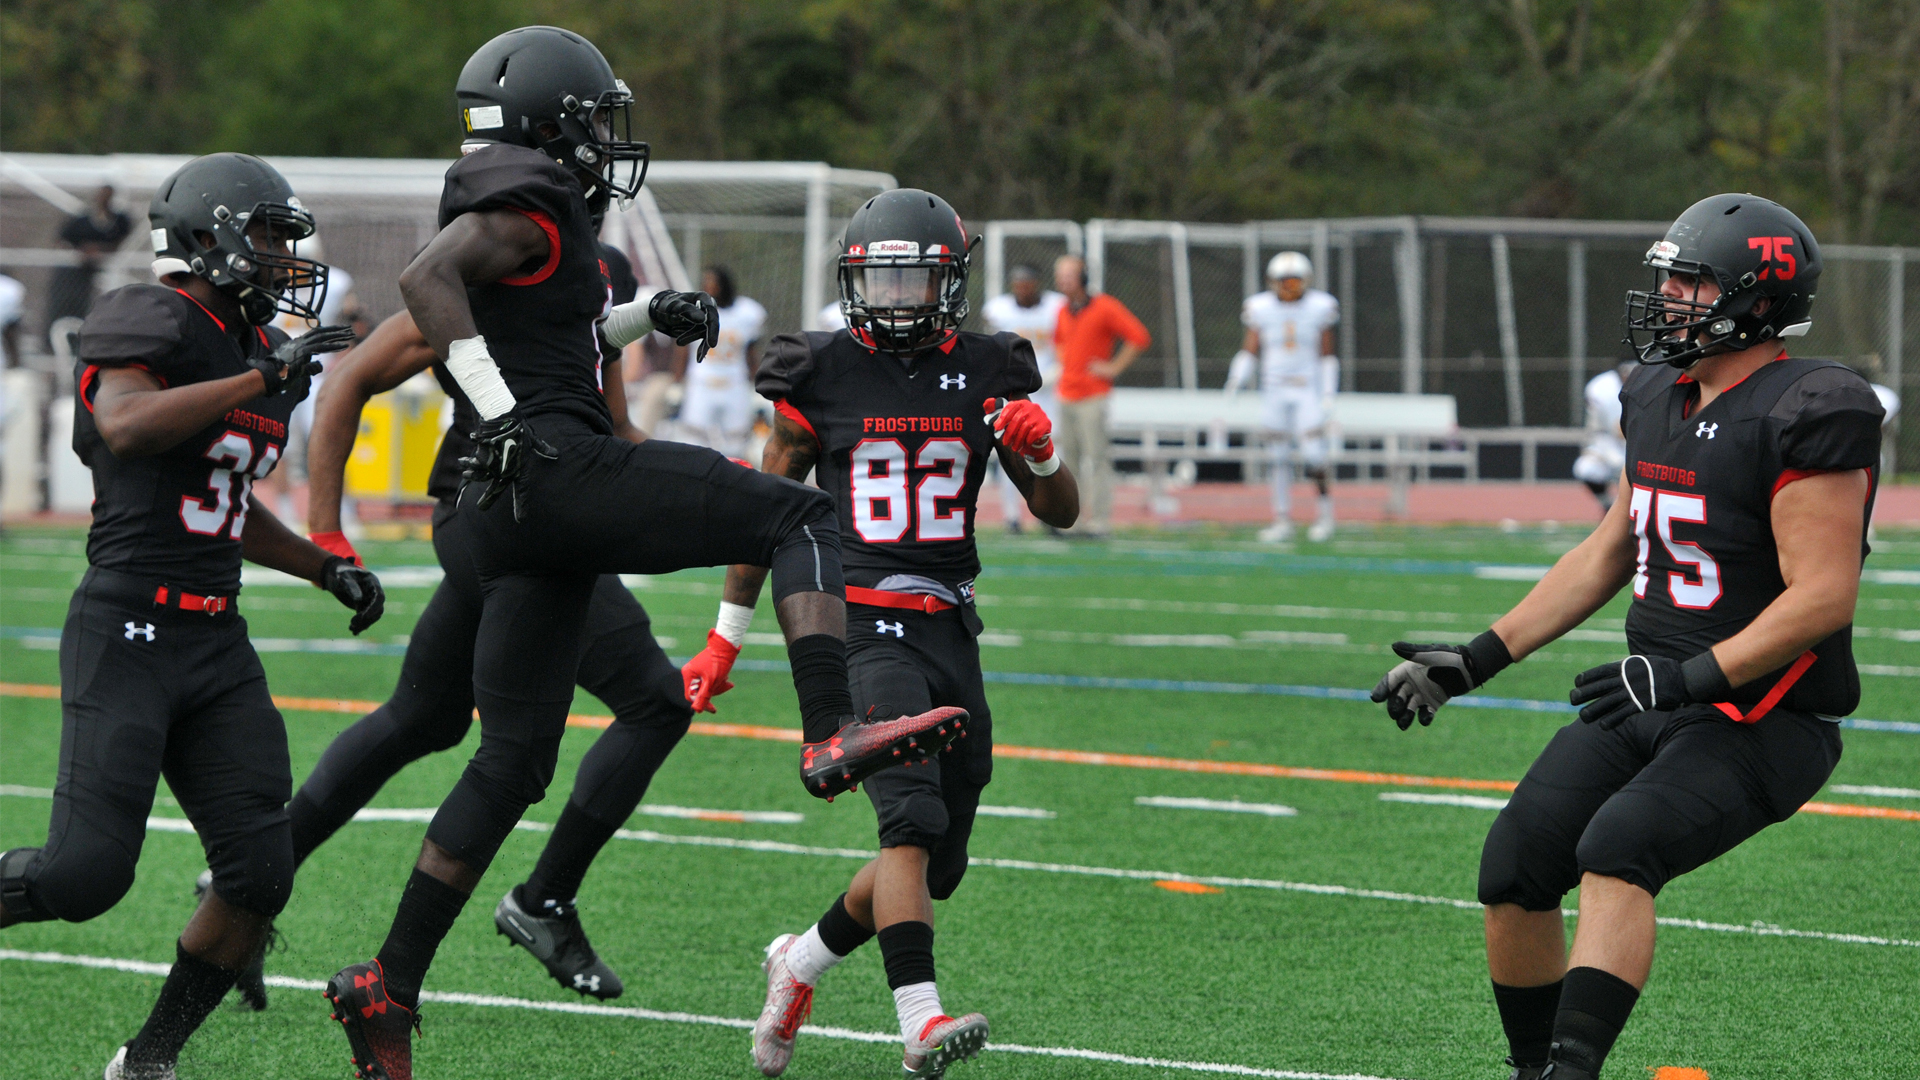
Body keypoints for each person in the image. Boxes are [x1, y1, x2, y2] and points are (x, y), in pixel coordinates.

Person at [322, 28, 966, 1079]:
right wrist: (506, 410)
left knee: (511, 761)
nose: (604, 140)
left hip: (502, 507)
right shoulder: (523, 194)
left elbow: (536, 323)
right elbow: (428, 279)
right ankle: (829, 731)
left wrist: (631, 320)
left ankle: (389, 982)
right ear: (550, 120)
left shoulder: (535, 214)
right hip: (553, 473)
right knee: (799, 518)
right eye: (591, 118)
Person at [1371, 193, 1883, 1080]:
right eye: (1670, 278)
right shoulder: (1655, 391)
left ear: (1758, 301)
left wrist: (1686, 679)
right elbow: (1615, 544)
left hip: (1766, 715)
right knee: (1516, 865)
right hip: (1651, 693)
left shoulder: (1808, 406)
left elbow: (1824, 597)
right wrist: (1477, 657)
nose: (1670, 296)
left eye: (1692, 281)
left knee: (1619, 847)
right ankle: (1533, 1070)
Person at [671, 188, 1077, 1078]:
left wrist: (1041, 453)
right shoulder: (819, 370)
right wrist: (724, 636)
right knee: (909, 820)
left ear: (950, 281)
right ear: (854, 281)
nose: (895, 296)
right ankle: (919, 1020)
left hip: (950, 624)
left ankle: (801, 960)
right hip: (860, 623)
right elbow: (763, 515)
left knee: (938, 865)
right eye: (880, 277)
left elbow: (1059, 511)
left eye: (913, 277)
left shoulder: (991, 367)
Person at [0, 154, 383, 1080]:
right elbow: (131, 426)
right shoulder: (153, 313)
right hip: (128, 625)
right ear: (208, 236)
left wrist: (320, 566)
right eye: (267, 236)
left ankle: (149, 1059)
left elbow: (225, 498)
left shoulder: (257, 351)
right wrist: (260, 379)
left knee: (260, 874)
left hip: (216, 638)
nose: (284, 257)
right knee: (84, 878)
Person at [271, 236, 691, 1015]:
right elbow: (351, 378)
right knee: (653, 702)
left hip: (525, 521)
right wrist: (324, 529)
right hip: (512, 522)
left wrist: (715, 496)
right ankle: (544, 901)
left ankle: (255, 875)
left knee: (425, 715)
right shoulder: (480, 270)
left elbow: (614, 425)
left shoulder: (602, 272)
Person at [1227, 252, 1340, 543]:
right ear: (1271, 282)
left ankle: (1325, 515)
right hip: (1274, 388)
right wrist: (1236, 378)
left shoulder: (1320, 306)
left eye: (1295, 282)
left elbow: (1327, 355)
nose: (1289, 288)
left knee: (1314, 455)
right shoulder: (1260, 307)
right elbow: (1250, 348)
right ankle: (1282, 519)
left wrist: (1328, 392)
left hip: (1306, 388)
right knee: (1277, 456)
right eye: (1284, 282)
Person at [1050, 254, 1148, 537]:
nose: (1062, 280)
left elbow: (1138, 336)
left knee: (1097, 458)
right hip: (1066, 393)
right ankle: (1074, 520)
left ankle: (1101, 520)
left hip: (1093, 394)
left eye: (1068, 274)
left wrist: (1113, 367)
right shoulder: (1061, 310)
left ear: (1082, 277)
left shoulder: (1105, 307)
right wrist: (1067, 365)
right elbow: (1059, 343)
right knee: (1069, 461)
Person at [982, 265, 1066, 533]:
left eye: (1027, 283)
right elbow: (989, 344)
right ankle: (1012, 516)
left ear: (1037, 283)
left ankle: (1050, 514)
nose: (1023, 289)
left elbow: (1068, 340)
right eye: (1018, 284)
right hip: (1015, 390)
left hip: (1049, 390)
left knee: (1052, 450)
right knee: (1012, 449)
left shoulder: (1056, 306)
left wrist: (1060, 368)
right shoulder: (1000, 309)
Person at [677, 265, 766, 457]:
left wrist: (757, 381)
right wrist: (676, 379)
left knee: (737, 442)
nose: (708, 286)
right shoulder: (692, 309)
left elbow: (750, 352)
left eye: (713, 282)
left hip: (734, 383)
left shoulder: (747, 312)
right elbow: (684, 348)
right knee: (693, 439)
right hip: (702, 382)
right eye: (705, 281)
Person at [44, 184, 134, 343]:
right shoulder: (82, 220)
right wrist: (81, 252)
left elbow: (121, 242)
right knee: (71, 305)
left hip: (107, 269)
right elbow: (62, 239)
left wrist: (101, 250)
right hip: (80, 272)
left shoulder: (119, 220)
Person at [1571, 362, 1634, 513]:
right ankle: (1608, 507)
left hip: (1638, 443)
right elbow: (1616, 429)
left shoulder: (1653, 384)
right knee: (1586, 468)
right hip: (1609, 443)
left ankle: (1634, 513)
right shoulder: (1603, 387)